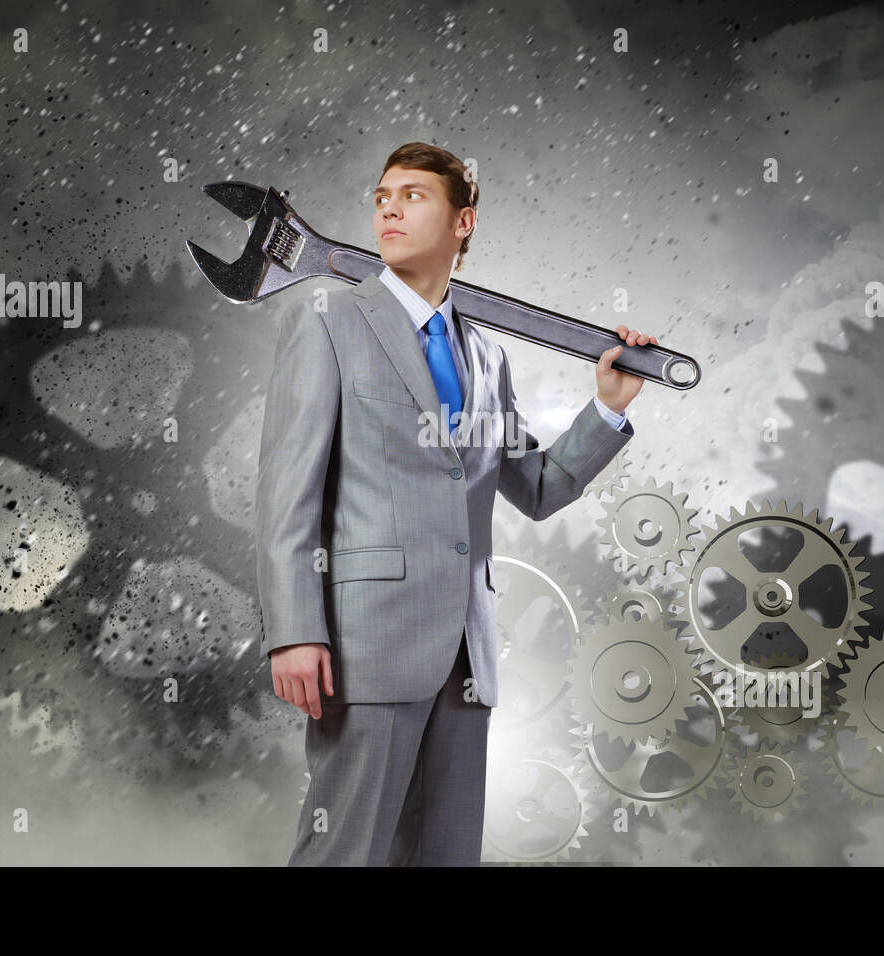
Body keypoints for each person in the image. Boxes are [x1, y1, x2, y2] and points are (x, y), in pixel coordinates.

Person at [255, 142, 658, 865]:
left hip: (467, 659)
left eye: (413, 195)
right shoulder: (328, 322)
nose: (388, 207)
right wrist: (293, 629)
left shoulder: (487, 358)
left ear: (462, 221)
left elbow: (536, 487)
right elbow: (288, 493)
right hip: (367, 648)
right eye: (382, 196)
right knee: (345, 852)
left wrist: (608, 410)